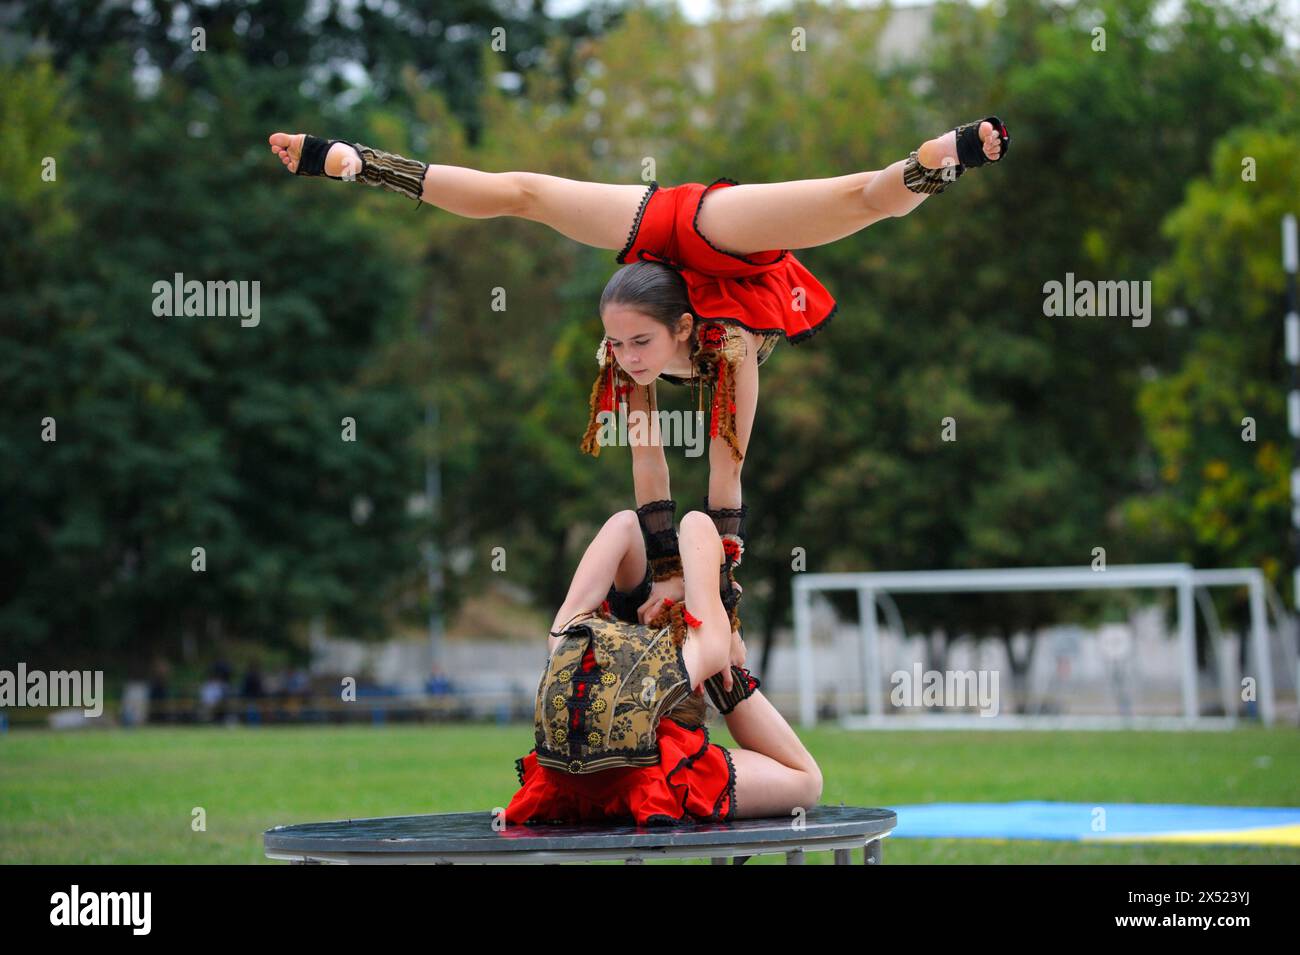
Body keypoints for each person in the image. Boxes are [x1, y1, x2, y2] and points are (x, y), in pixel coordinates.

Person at [267, 116, 1011, 623]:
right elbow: (649, 467)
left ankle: (935, 160)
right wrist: (665, 571)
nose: (625, 361)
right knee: (523, 193)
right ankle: (365, 163)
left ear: (681, 331)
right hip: (662, 269)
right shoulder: (631, 349)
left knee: (859, 199)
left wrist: (708, 583)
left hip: (706, 239)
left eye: (636, 348)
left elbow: (726, 476)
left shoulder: (732, 348)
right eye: (616, 347)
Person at [501, 507, 822, 826]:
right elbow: (697, 523)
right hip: (650, 777)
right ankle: (725, 685)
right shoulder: (696, 653)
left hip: (567, 781)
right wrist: (724, 612)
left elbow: (624, 523)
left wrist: (660, 573)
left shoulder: (568, 634)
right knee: (806, 781)